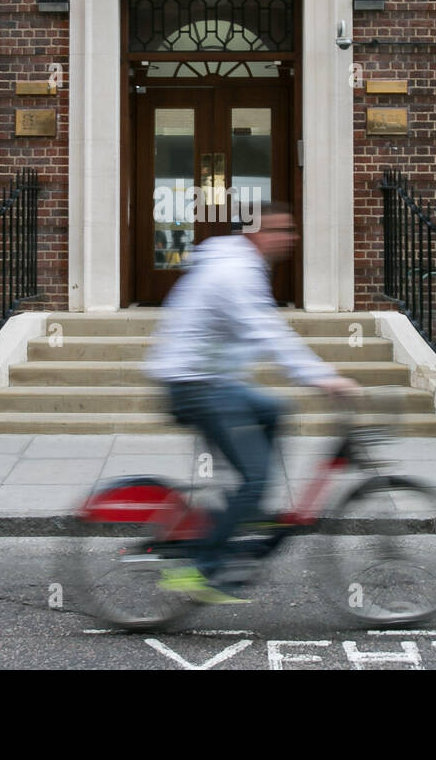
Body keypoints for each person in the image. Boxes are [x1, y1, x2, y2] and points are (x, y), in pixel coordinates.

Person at [144, 203, 360, 603]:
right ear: (255, 233)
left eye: (291, 229)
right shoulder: (236, 272)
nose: (290, 238)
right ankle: (201, 570)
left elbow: (260, 330)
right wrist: (322, 377)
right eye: (281, 229)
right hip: (196, 384)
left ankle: (247, 508)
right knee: (255, 477)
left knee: (274, 410)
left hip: (210, 379)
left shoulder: (241, 262)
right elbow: (266, 332)